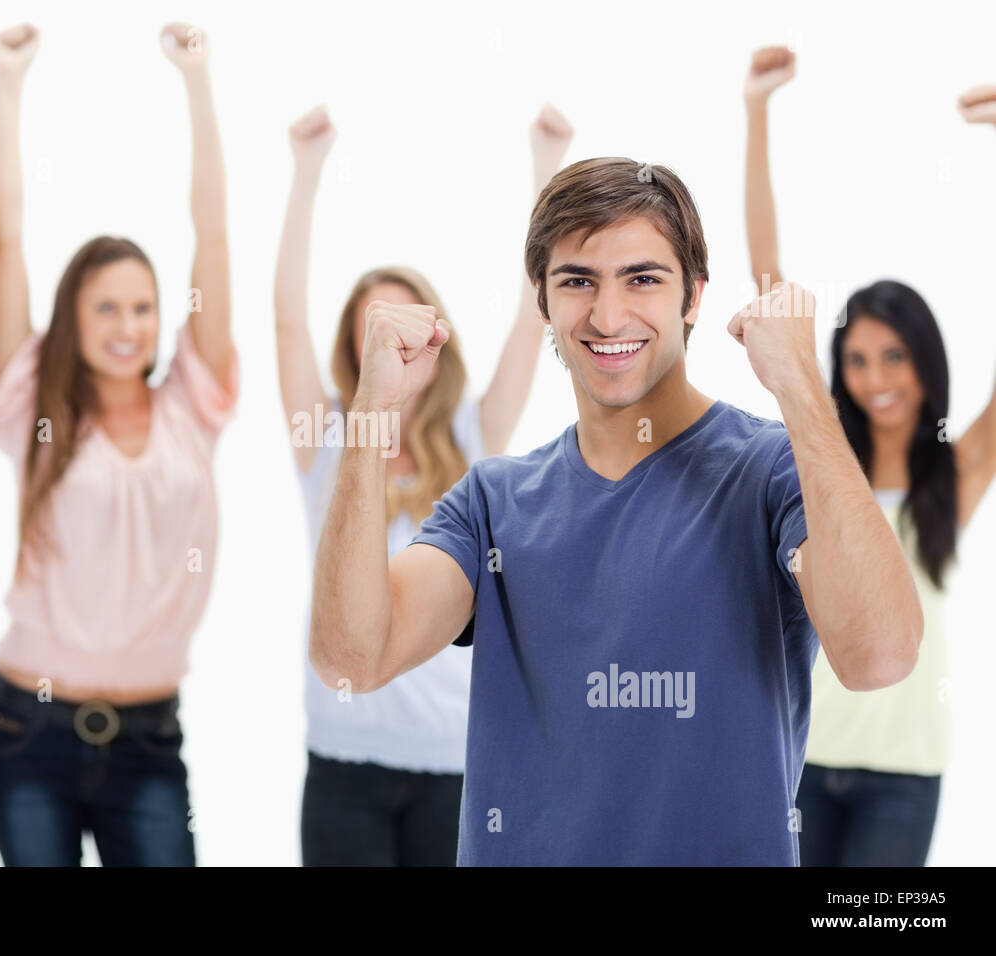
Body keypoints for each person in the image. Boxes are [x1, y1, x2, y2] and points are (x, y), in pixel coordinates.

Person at [310, 156, 926, 866]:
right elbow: (350, 658)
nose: (607, 316)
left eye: (642, 278)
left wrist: (803, 393)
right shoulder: (493, 502)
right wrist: (372, 413)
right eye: (577, 281)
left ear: (693, 296)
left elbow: (880, 655)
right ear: (543, 301)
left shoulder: (772, 473)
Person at [275, 103, 569, 866]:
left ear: (438, 345)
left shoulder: (473, 438)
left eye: (408, 330)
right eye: (376, 334)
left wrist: (548, 164)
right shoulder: (328, 440)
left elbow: (533, 319)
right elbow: (284, 322)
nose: (395, 346)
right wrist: (304, 174)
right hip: (344, 761)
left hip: (454, 762)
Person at [0, 23, 237, 867]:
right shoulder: (31, 412)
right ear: (71, 319)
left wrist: (196, 81)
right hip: (27, 727)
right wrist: (9, 84)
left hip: (149, 735)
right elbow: (4, 240)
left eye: (142, 307)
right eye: (106, 308)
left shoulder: (192, 405)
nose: (129, 327)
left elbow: (214, 236)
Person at [744, 46, 996, 866]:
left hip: (905, 771)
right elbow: (771, 286)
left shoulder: (956, 471)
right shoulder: (822, 463)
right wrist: (756, 112)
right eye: (858, 358)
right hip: (803, 755)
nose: (876, 378)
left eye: (896, 357)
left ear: (925, 362)